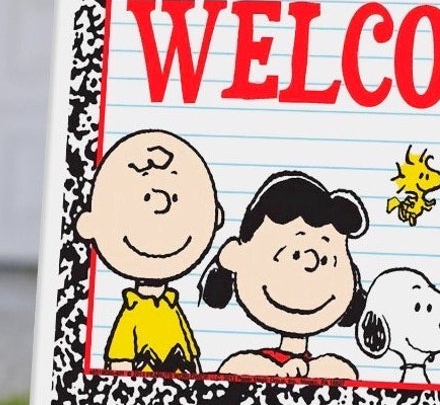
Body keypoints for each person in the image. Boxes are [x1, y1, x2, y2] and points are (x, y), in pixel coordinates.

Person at [77, 130, 223, 373]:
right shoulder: (133, 311)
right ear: (91, 224)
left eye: (174, 198)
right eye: (147, 197)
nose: (160, 205)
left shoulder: (171, 305)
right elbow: (120, 360)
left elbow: (190, 353)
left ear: (214, 216)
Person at [200, 171, 367, 381]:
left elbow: (345, 374)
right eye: (293, 255)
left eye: (327, 260)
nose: (309, 267)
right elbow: (231, 370)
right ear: (236, 256)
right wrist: (276, 374)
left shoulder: (322, 367)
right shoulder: (251, 365)